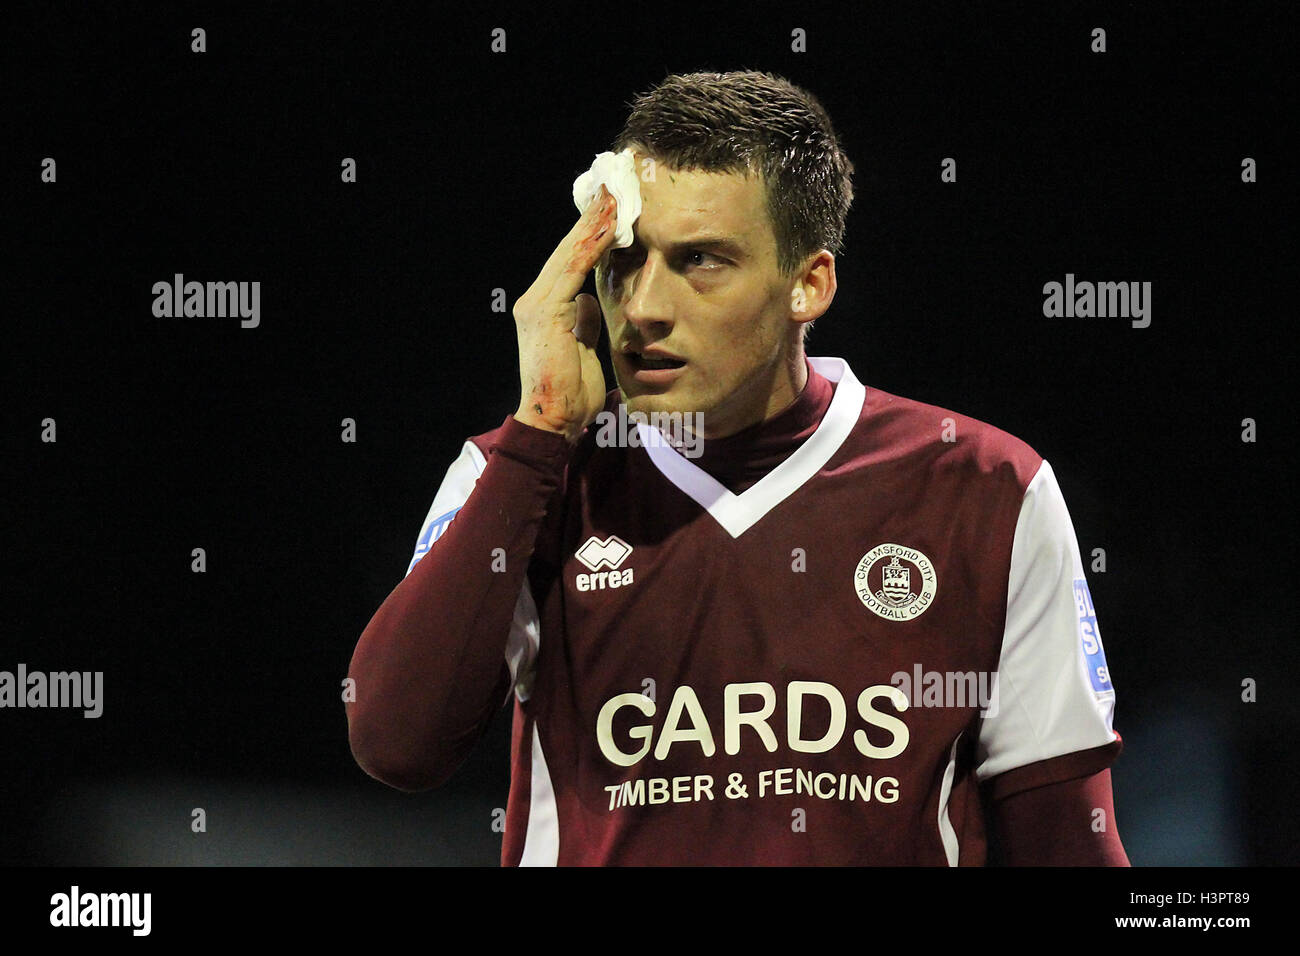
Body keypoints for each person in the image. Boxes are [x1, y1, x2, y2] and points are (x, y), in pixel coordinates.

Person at [345, 70, 1129, 866]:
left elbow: (1064, 843)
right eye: (623, 261)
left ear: (809, 283)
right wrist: (539, 433)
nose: (644, 306)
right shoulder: (518, 476)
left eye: (702, 261)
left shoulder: (988, 489)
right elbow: (395, 744)